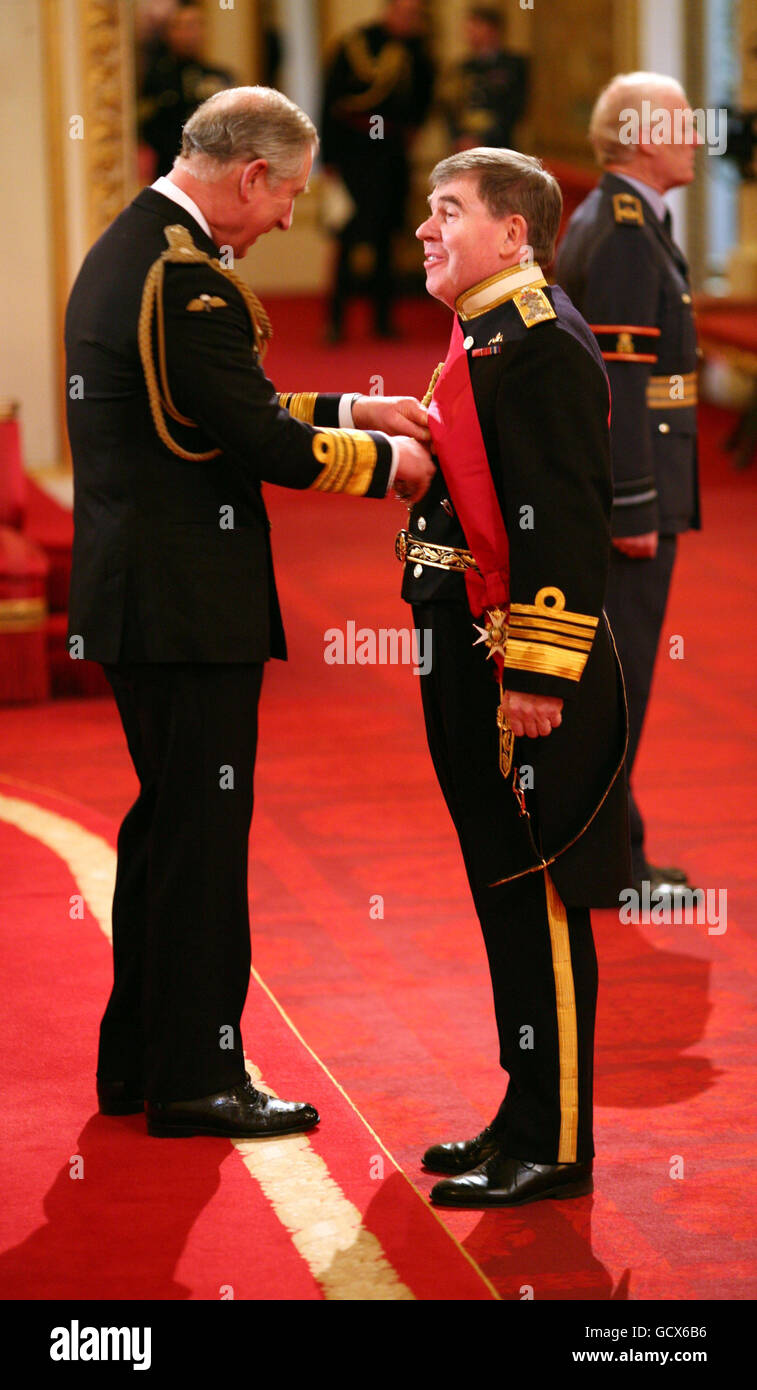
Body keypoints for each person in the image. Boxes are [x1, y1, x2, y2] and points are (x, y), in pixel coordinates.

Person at [65, 86, 433, 1140]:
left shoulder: (143, 247)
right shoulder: (187, 281)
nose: (286, 221)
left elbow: (224, 401)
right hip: (182, 606)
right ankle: (197, 1076)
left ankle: (139, 1060)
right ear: (251, 176)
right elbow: (261, 443)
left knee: (168, 829)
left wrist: (352, 406)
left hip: (149, 595)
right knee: (200, 842)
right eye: (288, 199)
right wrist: (389, 464)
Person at [396, 148, 630, 1207]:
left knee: (535, 892)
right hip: (466, 644)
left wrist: (535, 675)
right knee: (502, 887)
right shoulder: (486, 332)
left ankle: (557, 1138)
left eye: (447, 212)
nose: (426, 230)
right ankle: (521, 1105)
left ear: (513, 232)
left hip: (519, 668)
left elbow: (564, 524)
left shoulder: (538, 345)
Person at [555, 73, 702, 902]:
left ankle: (621, 851)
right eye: (682, 123)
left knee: (620, 682)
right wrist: (636, 504)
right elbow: (619, 380)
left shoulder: (626, 220)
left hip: (640, 488)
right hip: (633, 500)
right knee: (620, 682)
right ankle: (607, 866)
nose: (696, 136)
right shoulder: (619, 230)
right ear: (644, 135)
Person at [321, 0, 435, 341]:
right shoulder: (354, 45)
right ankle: (336, 322)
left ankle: (383, 321)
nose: (409, 19)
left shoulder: (418, 52)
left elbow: (422, 102)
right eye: (404, 12)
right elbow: (330, 103)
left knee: (388, 240)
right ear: (389, 10)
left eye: (414, 14)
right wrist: (328, 159)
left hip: (390, 157)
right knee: (346, 241)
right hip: (354, 156)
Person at [139, 2, 234, 177]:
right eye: (179, 26)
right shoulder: (156, 79)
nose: (187, 34)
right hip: (169, 171)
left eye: (193, 25)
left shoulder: (220, 78)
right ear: (169, 32)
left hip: (213, 171)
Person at [440, 6, 529, 152]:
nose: (470, 33)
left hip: (499, 146)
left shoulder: (514, 65)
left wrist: (484, 139)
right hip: (465, 147)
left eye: (476, 26)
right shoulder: (462, 67)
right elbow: (450, 108)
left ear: (493, 29)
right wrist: (458, 138)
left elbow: (515, 107)